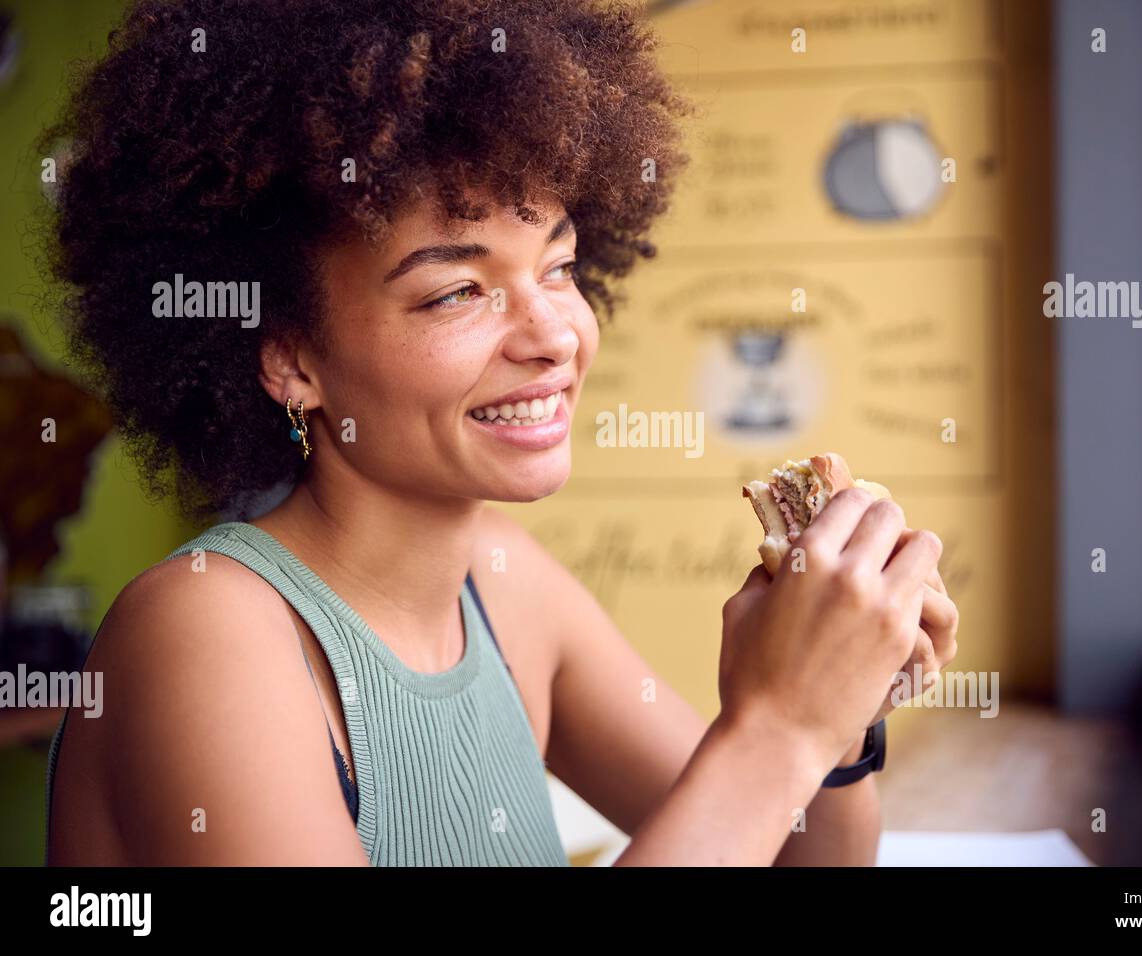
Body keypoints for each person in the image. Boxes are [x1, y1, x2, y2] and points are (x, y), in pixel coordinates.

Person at [41, 0, 958, 866]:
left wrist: (842, 718)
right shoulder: (207, 628)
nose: (555, 335)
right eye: (456, 291)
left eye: (557, 267)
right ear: (291, 360)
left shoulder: (508, 587)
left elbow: (797, 856)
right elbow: (760, 777)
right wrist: (780, 725)